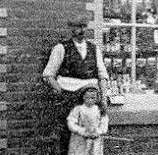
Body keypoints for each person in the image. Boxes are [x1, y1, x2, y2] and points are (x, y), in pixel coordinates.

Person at [42, 17, 109, 155]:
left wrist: (103, 99)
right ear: (71, 29)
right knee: (69, 137)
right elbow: (48, 75)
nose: (81, 30)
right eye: (78, 27)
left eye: (84, 26)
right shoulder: (61, 48)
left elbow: (102, 75)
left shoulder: (94, 49)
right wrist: (61, 92)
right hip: (69, 99)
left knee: (93, 137)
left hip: (91, 98)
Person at [66, 85, 109, 155]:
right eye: (87, 97)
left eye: (92, 98)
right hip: (79, 140)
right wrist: (82, 131)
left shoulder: (100, 110)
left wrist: (98, 132)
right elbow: (71, 123)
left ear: (97, 98)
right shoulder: (78, 109)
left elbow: (104, 124)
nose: (90, 100)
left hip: (94, 140)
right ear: (83, 97)